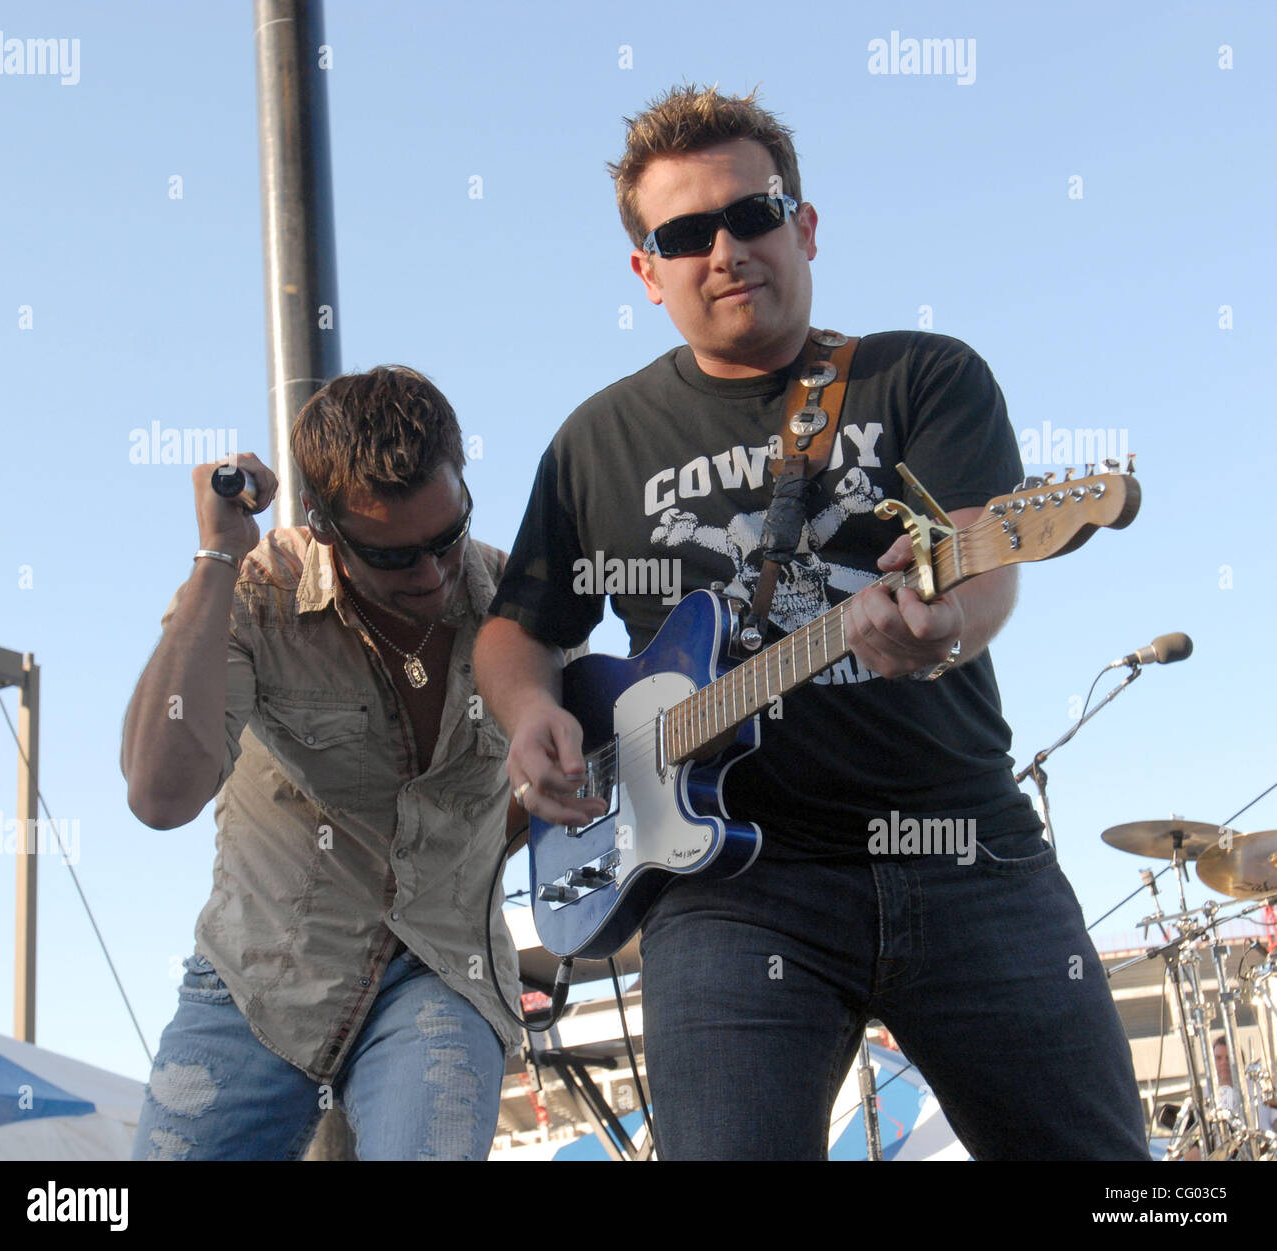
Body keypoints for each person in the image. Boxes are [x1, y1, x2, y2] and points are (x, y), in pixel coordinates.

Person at [473, 85, 1149, 1160]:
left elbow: (978, 554)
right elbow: (517, 630)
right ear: (647, 274)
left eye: (752, 214)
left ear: (805, 225)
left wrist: (944, 631)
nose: (726, 249)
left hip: (963, 846)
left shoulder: (921, 374)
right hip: (730, 894)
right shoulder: (595, 440)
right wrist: (525, 719)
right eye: (685, 234)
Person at [123, 366, 521, 1160]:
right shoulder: (256, 592)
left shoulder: (515, 603)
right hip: (258, 979)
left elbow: (568, 767)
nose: (433, 575)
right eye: (395, 556)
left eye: (448, 537)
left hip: (442, 970)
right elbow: (159, 795)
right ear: (324, 528)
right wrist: (214, 559)